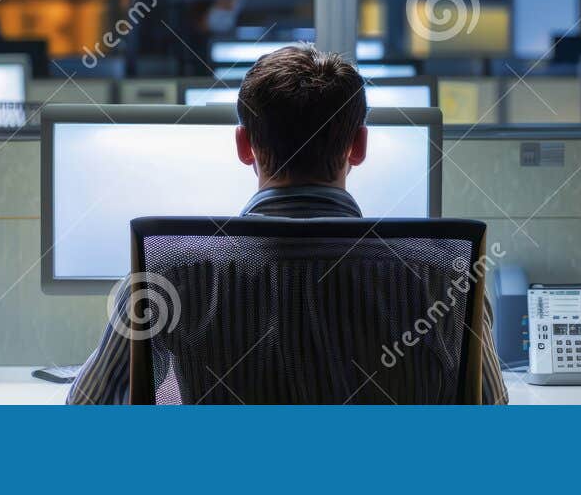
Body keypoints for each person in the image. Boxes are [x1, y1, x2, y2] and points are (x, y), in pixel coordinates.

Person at [67, 44, 509, 405]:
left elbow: (86, 407)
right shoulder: (446, 277)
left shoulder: (168, 274)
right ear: (359, 146)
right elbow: (493, 414)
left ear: (243, 145)